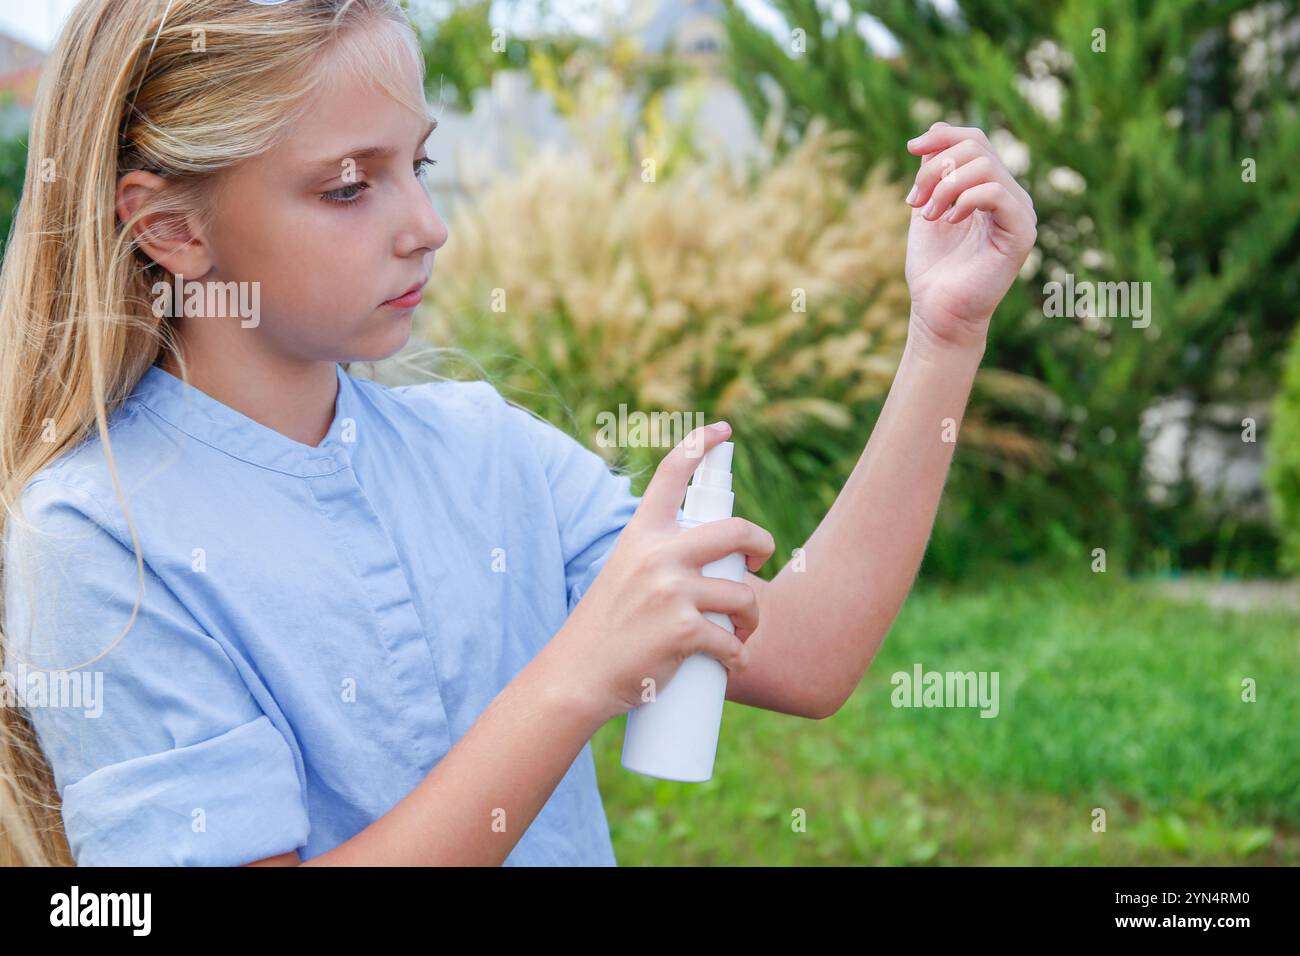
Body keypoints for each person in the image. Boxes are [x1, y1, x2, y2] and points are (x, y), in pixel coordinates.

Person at [0, 0, 1035, 867]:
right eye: (350, 185)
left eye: (419, 163)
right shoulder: (94, 532)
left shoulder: (484, 448)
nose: (425, 223)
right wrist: (578, 673)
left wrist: (944, 329)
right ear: (173, 228)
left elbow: (805, 655)